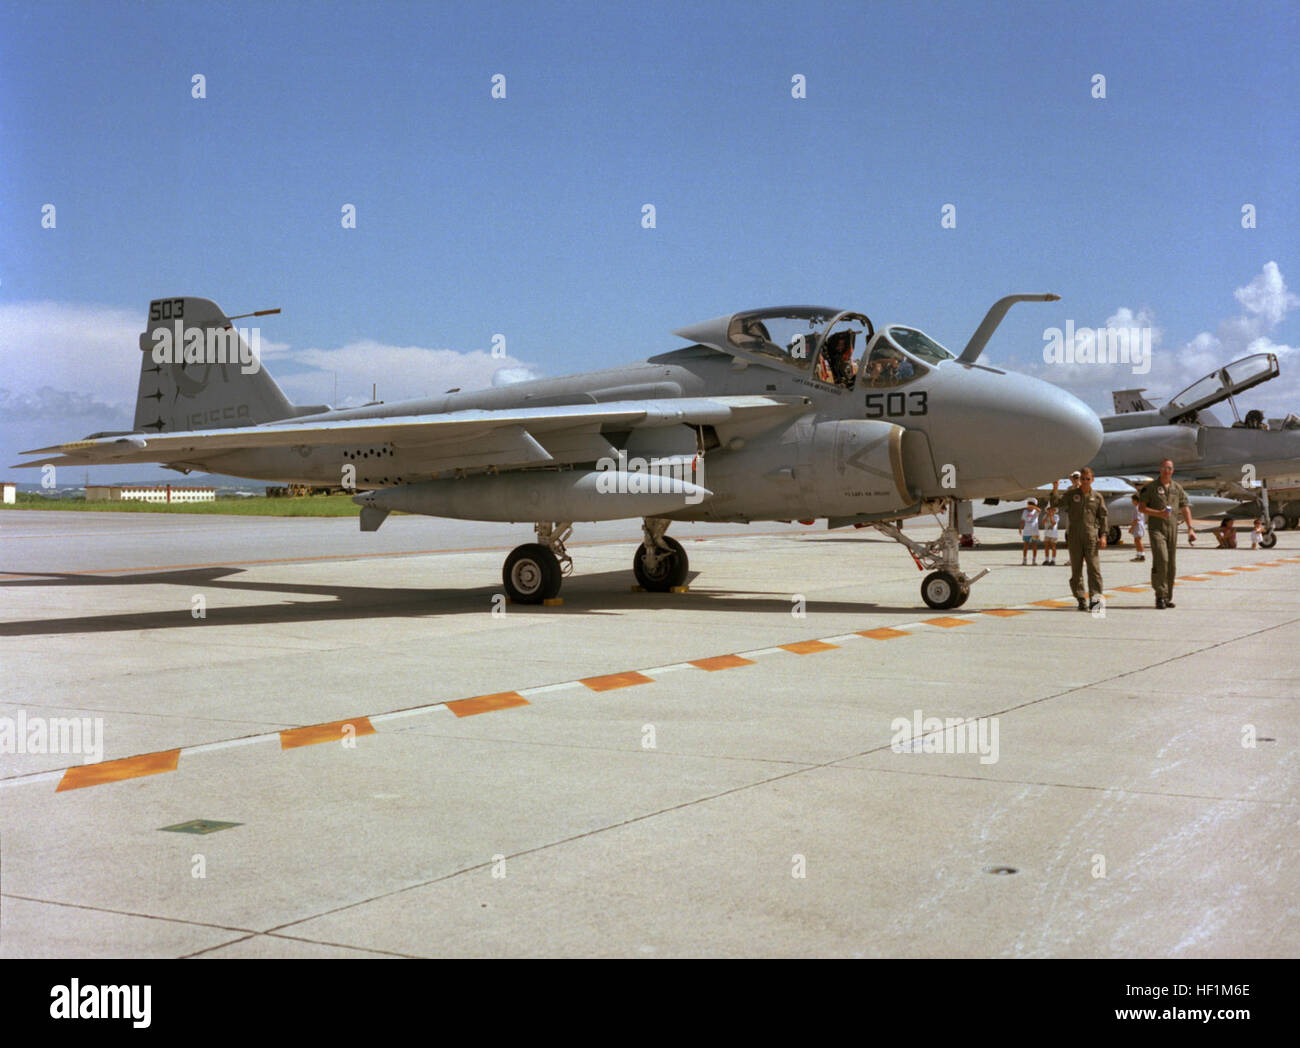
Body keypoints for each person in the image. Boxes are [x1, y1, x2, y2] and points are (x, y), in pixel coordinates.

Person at [1138, 458, 1197, 609]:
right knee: (1162, 560)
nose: (1167, 471)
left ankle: (1167, 597)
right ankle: (1160, 595)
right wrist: (1159, 513)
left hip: (1172, 529)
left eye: (1169, 468)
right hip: (1157, 529)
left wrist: (1190, 528)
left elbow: (1184, 508)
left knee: (1171, 564)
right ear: (1160, 469)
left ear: (1173, 470)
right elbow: (1142, 508)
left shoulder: (1177, 488)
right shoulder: (1150, 488)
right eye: (1164, 468)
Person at [1047, 469, 1108, 610]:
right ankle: (1081, 598)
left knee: (1094, 569)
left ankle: (1096, 600)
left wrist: (1103, 535)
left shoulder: (1097, 497)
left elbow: (1103, 517)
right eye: (1083, 479)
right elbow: (1056, 503)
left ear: (1092, 480)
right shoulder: (1072, 495)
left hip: (1091, 537)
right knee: (1076, 570)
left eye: (1088, 479)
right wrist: (1055, 489)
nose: (1085, 482)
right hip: (1074, 537)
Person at [1021, 499, 1040, 564]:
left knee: (1034, 546)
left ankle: (1034, 560)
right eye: (1029, 504)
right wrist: (1020, 528)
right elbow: (1023, 520)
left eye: (1031, 504)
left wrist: (1033, 507)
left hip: (1035, 532)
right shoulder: (1025, 511)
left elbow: (1039, 510)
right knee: (1026, 546)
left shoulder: (1035, 511)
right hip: (1027, 531)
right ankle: (1024, 559)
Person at [1129, 495, 1146, 561]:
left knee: (1138, 540)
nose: (1132, 502)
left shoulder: (1137, 508)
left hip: (1138, 525)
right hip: (1138, 525)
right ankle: (1139, 554)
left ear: (1136, 500)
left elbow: (1136, 519)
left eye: (1133, 500)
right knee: (1136, 540)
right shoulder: (1138, 507)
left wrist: (1131, 528)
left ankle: (1142, 555)